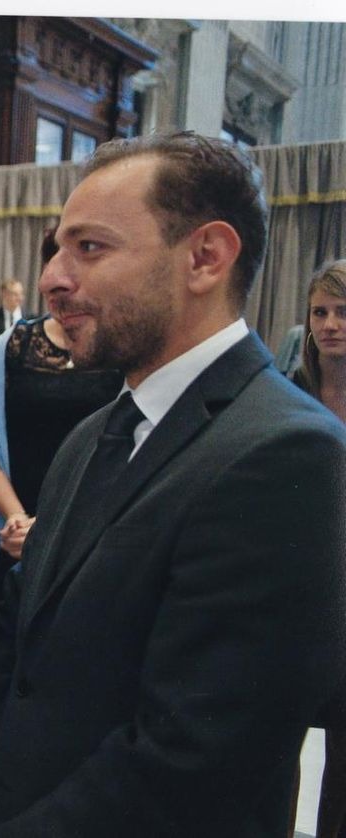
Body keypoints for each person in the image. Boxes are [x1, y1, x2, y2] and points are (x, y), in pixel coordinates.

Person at [0, 132, 346, 838]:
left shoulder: (289, 451)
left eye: (90, 249)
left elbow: (197, 757)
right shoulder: (94, 434)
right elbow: (15, 634)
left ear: (205, 257)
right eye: (59, 249)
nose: (52, 279)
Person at [0, 228, 121, 613]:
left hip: (90, 542)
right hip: (10, 536)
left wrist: (48, 531)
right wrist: (17, 517)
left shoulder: (121, 349)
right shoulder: (15, 343)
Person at [291, 259, 346, 838]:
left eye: (342, 312)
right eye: (320, 312)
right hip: (296, 591)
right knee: (274, 753)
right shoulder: (288, 394)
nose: (330, 324)